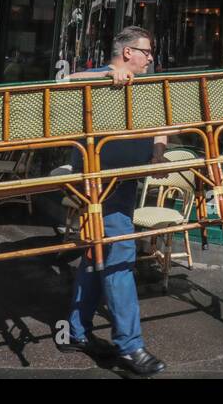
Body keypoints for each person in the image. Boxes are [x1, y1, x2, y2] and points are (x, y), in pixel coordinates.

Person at [62, 26, 167, 377]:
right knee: (120, 254)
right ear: (126, 53)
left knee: (97, 254)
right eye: (146, 51)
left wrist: (158, 151)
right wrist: (108, 74)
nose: (151, 57)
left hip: (124, 182)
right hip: (97, 185)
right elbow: (62, 82)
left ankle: (77, 332)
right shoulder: (98, 77)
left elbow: (162, 122)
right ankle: (130, 347)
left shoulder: (145, 86)